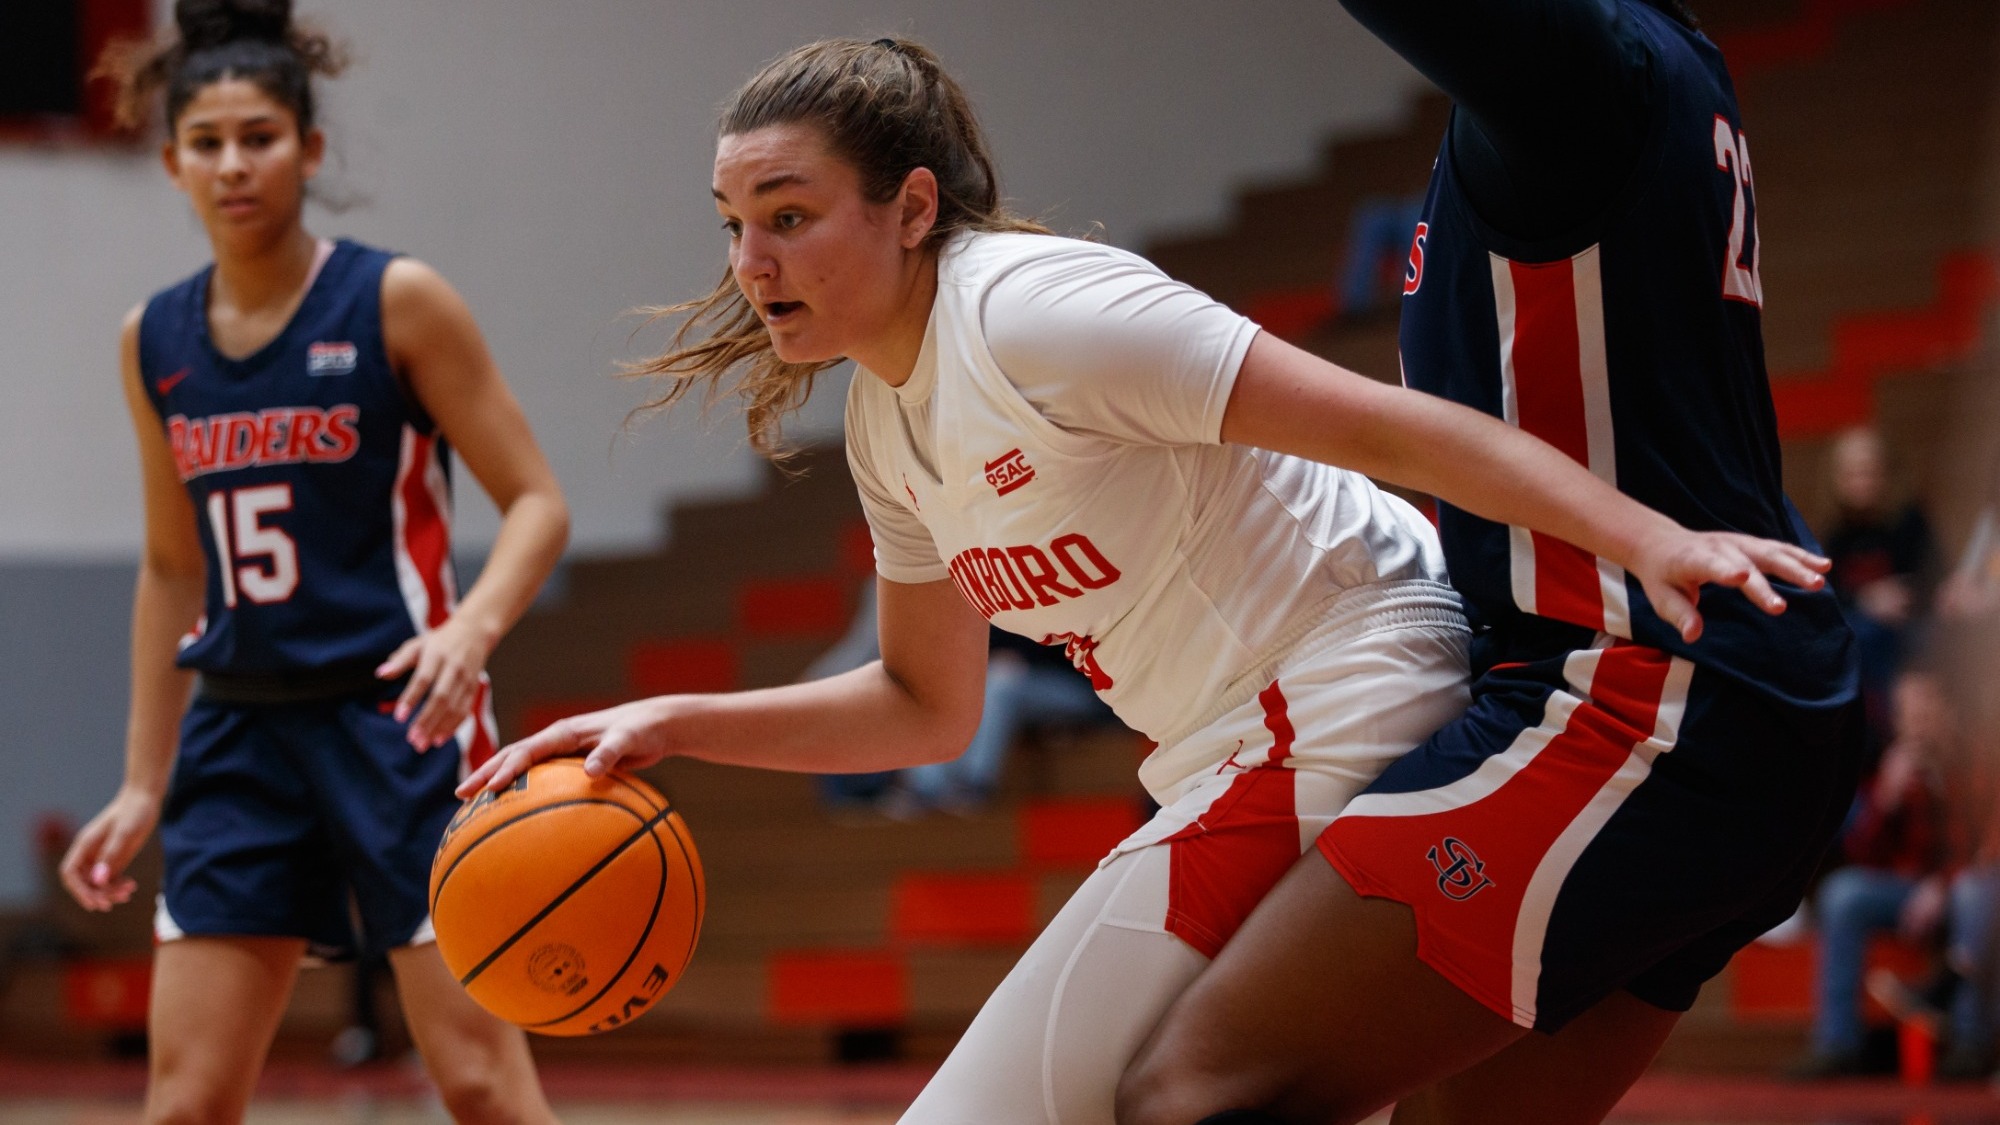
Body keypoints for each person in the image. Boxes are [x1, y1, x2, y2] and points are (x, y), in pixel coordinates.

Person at [461, 36, 1826, 1125]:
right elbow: (924, 707)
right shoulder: (886, 420)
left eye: (788, 216)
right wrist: (669, 726)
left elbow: (1381, 426)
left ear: (912, 206)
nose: (750, 264)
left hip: (1349, 678)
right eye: (731, 225)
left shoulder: (1038, 312)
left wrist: (1649, 538)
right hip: (1242, 737)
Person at [1117, 3, 1862, 1124]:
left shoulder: (1584, 73)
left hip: (1637, 695)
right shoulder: (1665, 62)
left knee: (1187, 1094)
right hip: (1746, 697)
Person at [56, 3, 568, 1122]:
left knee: (481, 1084)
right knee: (185, 1102)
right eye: (208, 143)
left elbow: (535, 502)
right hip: (240, 735)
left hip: (402, 725)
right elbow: (168, 564)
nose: (234, 164)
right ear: (173, 163)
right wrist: (144, 780)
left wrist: (471, 626)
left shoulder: (395, 301)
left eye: (260, 137)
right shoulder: (155, 338)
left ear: (310, 149)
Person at [1790, 668, 1959, 1079]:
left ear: (1946, 710)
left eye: (1923, 708)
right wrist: (1885, 798)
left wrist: (1942, 885)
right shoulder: (1893, 762)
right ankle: (1838, 1044)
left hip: (1966, 886)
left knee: (1976, 896)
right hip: (1905, 888)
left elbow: (1986, 847)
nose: (1914, 721)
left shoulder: (1973, 760)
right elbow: (1862, 853)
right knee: (1843, 894)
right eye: (1906, 711)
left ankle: (1969, 1046)